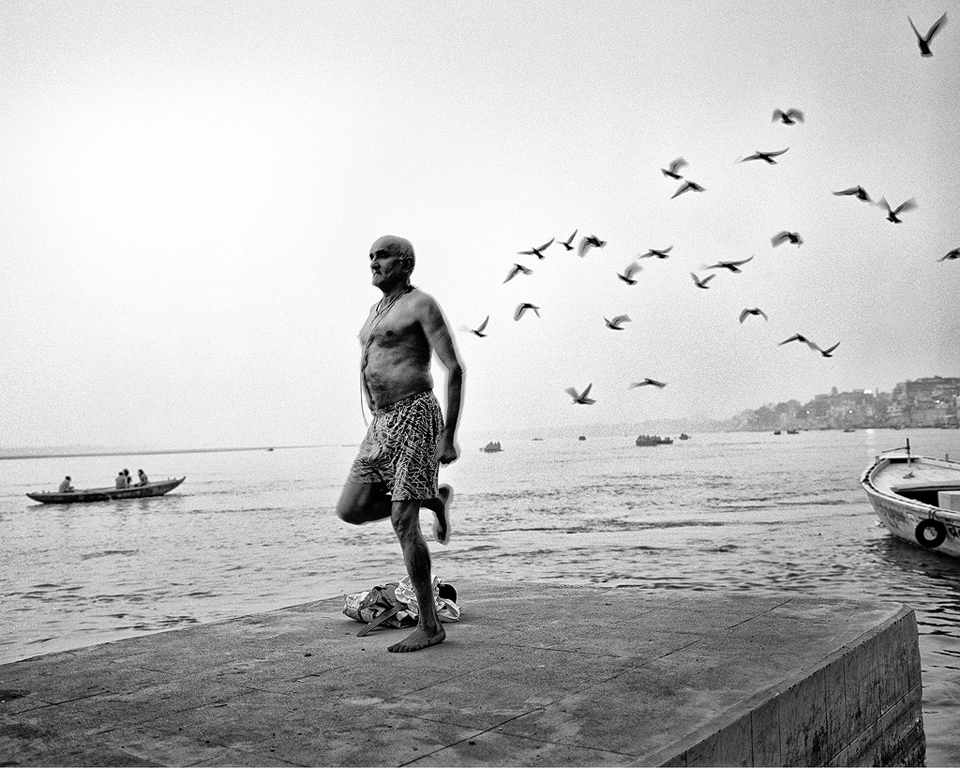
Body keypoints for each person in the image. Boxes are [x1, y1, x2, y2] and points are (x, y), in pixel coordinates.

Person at [336, 235, 465, 653]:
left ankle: (430, 625)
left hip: (414, 414)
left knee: (401, 522)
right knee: (350, 509)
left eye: (383, 255)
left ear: (405, 263)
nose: (374, 262)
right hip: (381, 423)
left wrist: (449, 433)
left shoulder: (420, 304)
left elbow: (454, 368)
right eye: (371, 256)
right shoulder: (376, 311)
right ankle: (432, 499)